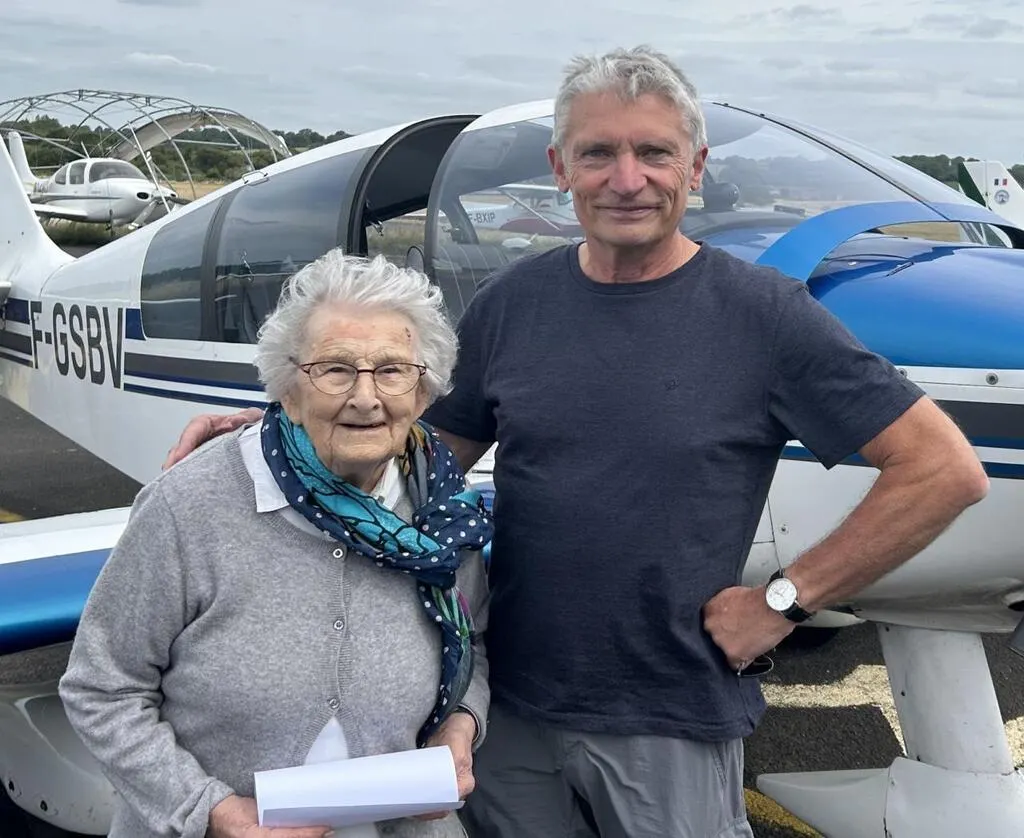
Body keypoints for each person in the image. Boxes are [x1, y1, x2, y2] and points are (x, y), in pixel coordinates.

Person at [164, 47, 989, 838]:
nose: (626, 180)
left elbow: (941, 468)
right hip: (507, 705)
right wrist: (285, 429)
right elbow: (419, 454)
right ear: (562, 170)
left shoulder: (763, 315)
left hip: (671, 714)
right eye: (598, 154)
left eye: (654, 154)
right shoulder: (513, 303)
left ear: (694, 169)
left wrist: (783, 599)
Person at [59, 249, 493, 838]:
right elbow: (101, 687)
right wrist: (210, 812)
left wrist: (462, 723)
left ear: (423, 392)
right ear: (288, 390)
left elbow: (472, 646)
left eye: (392, 371)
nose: (366, 398)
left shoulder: (444, 514)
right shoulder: (189, 505)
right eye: (336, 369)